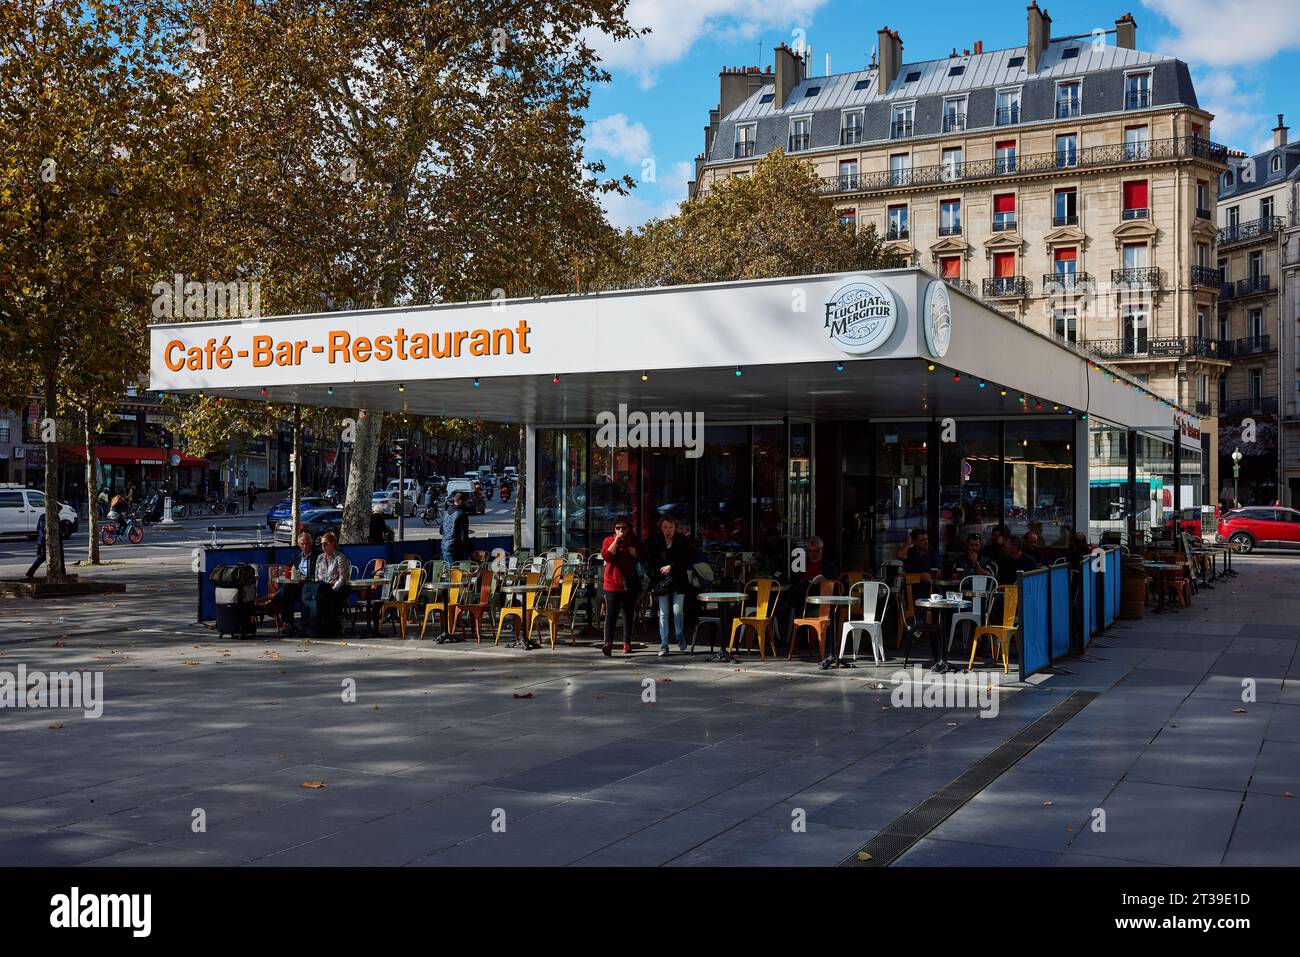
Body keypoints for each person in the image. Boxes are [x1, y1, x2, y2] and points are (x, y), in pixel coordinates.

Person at [646, 516, 692, 656]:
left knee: (677, 611)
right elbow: (650, 559)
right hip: (662, 581)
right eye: (665, 527)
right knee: (663, 613)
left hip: (679, 580)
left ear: (675, 528)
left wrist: (671, 566)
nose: (668, 530)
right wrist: (656, 571)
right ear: (661, 528)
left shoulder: (682, 540)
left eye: (671, 527)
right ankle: (664, 644)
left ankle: (679, 635)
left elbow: (686, 560)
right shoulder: (655, 541)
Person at [600, 518, 641, 657]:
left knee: (628, 614)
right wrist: (615, 542)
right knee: (611, 615)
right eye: (618, 528)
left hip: (630, 583)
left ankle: (626, 642)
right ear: (614, 529)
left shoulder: (634, 541)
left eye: (624, 528)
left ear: (629, 529)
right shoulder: (608, 540)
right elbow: (606, 556)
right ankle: (608, 643)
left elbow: (644, 556)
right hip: (612, 583)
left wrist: (635, 552)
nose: (621, 531)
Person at [276, 530, 316, 634]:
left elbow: (319, 573)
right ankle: (288, 624)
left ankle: (286, 622)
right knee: (286, 590)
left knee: (285, 592)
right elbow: (288, 569)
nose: (305, 546)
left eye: (306, 543)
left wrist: (306, 577)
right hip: (296, 586)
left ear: (311, 543)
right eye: (302, 544)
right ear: (299, 545)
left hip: (309, 585)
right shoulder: (297, 557)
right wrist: (283, 571)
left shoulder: (317, 556)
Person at [311, 531, 351, 636]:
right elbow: (316, 576)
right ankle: (319, 624)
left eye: (325, 544)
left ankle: (334, 624)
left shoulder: (340, 557)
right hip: (323, 587)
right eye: (321, 544)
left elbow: (342, 578)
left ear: (332, 544)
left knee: (331, 595)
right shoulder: (320, 558)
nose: (323, 546)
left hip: (338, 587)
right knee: (317, 595)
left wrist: (333, 587)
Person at [25, 512, 65, 579]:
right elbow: (56, 528)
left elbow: (38, 528)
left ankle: (30, 572)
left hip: (42, 539)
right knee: (57, 556)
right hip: (49, 540)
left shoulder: (42, 516)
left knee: (42, 557)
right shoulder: (54, 516)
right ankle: (62, 572)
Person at [441, 491, 471, 563]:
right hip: (455, 548)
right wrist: (471, 549)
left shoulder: (446, 512)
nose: (467, 503)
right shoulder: (462, 514)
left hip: (444, 546)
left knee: (449, 571)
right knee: (456, 572)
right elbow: (464, 537)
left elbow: (441, 530)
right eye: (466, 501)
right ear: (460, 501)